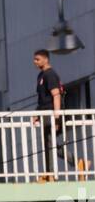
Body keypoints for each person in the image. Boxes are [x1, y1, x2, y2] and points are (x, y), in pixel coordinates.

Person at [31, 50, 64, 178]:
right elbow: (42, 99)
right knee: (49, 143)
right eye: (35, 59)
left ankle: (50, 172)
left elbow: (56, 95)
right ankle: (78, 162)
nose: (35, 62)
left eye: (37, 59)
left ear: (46, 59)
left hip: (50, 113)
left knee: (49, 143)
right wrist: (36, 114)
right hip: (44, 112)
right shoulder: (41, 75)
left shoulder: (50, 75)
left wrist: (56, 117)